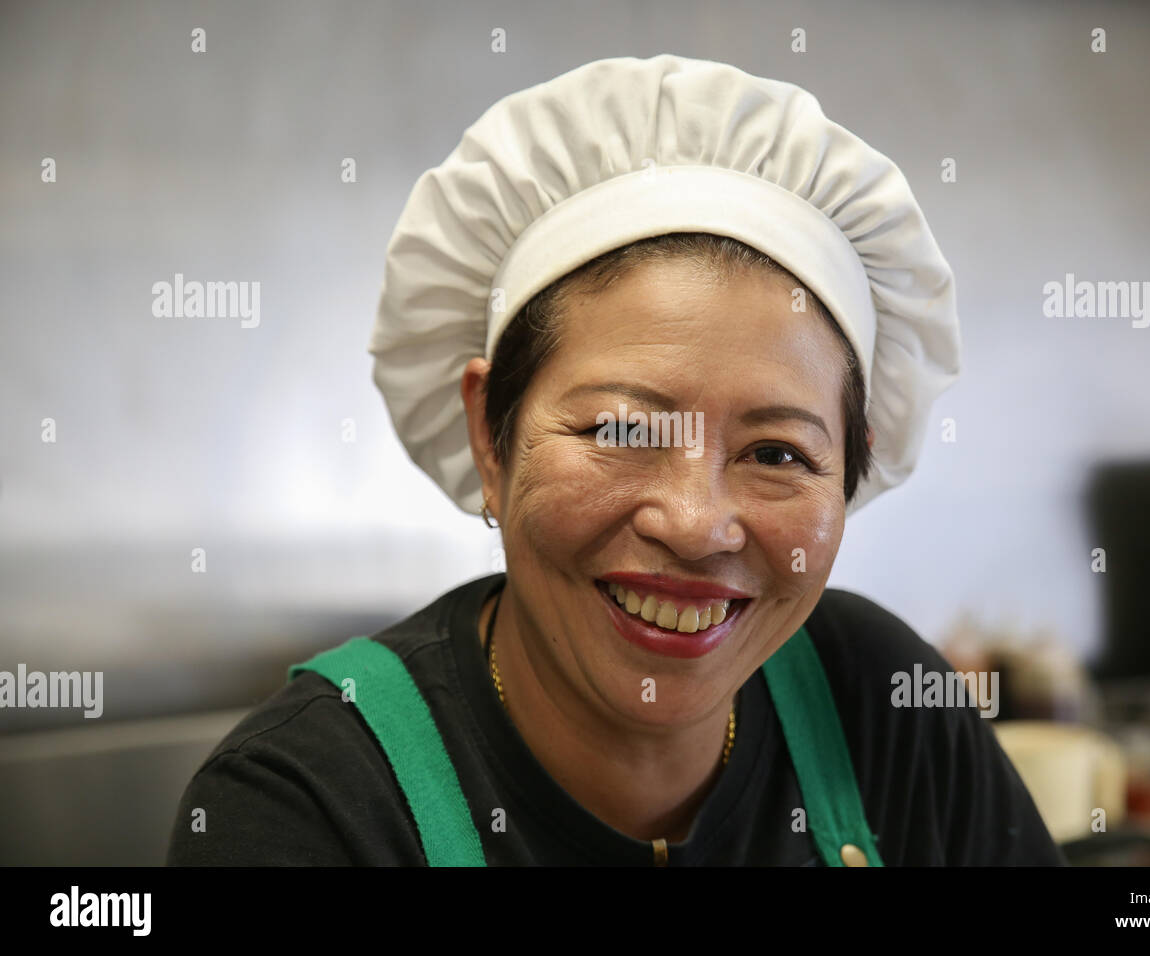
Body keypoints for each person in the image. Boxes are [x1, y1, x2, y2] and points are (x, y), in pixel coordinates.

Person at [167, 54, 1064, 866]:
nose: (696, 523)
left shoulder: (879, 702)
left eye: (778, 451)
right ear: (491, 433)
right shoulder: (307, 805)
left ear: (852, 466)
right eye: (623, 432)